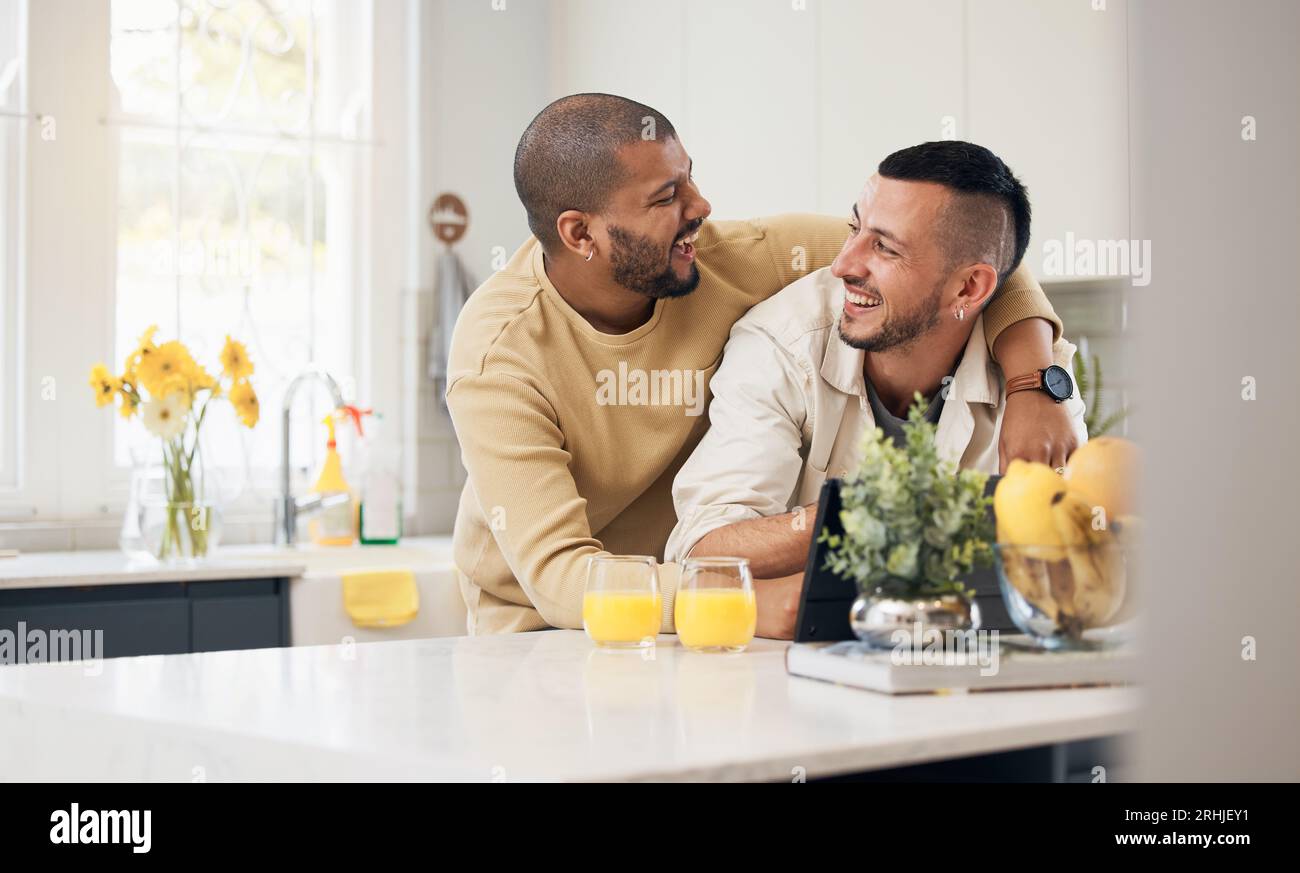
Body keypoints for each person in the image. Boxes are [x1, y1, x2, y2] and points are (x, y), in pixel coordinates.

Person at [446, 95, 1075, 638]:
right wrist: (741, 598)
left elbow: (973, 259)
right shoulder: (497, 354)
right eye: (668, 196)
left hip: (701, 605)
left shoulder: (731, 258)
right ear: (581, 235)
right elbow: (559, 577)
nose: (703, 205)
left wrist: (1032, 386)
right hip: (549, 625)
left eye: (690, 178)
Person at [667, 142, 1088, 640]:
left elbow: (1064, 562)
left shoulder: (1037, 384)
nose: (844, 264)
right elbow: (702, 550)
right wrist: (870, 511)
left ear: (970, 290)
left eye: (885, 248)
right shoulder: (782, 344)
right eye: (854, 229)